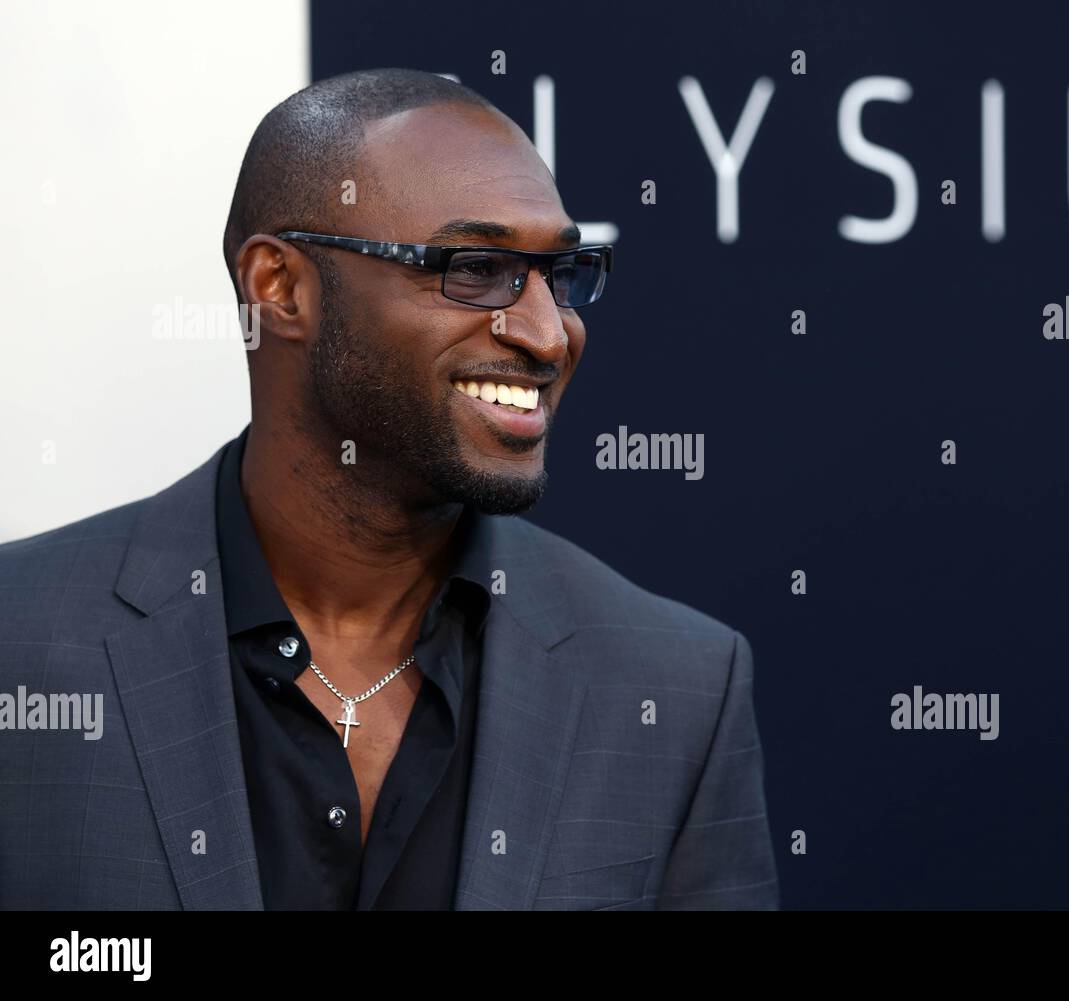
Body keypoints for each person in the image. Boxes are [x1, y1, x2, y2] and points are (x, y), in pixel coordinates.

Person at [0, 68, 779, 910]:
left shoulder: (674, 688)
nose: (549, 336)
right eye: (474, 268)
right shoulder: (21, 638)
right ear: (279, 286)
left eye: (560, 275)